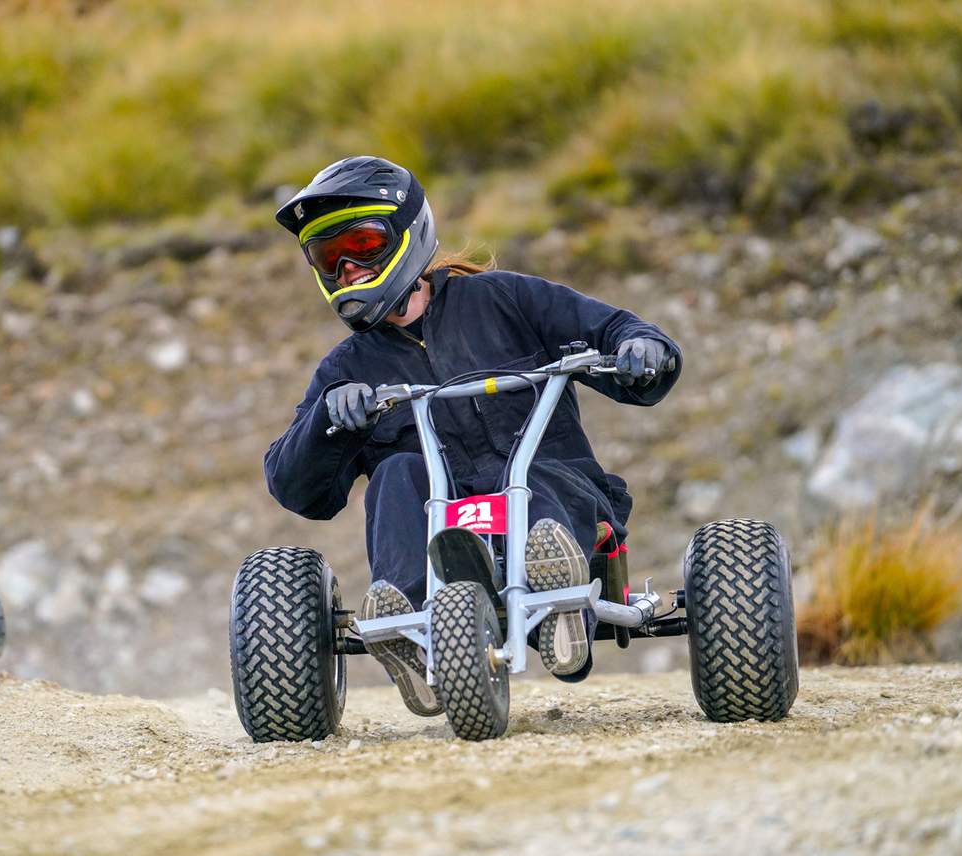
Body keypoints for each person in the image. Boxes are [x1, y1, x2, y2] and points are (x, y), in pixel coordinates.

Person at [265, 156, 681, 716]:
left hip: (552, 497)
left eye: (361, 244)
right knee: (395, 473)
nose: (347, 270)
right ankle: (411, 638)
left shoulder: (506, 300)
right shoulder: (348, 369)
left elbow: (615, 329)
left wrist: (641, 350)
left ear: (408, 235)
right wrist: (328, 421)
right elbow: (296, 488)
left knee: (530, 472)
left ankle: (560, 607)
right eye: (327, 257)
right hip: (443, 536)